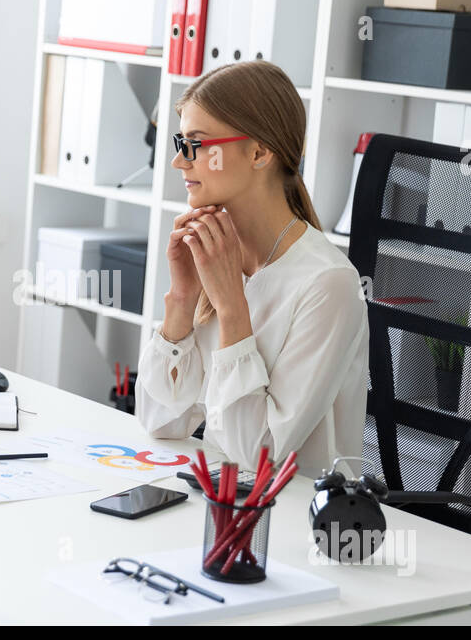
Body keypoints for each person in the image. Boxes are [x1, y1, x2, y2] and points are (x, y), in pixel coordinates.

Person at [135, 61, 369, 478]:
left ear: (259, 152)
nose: (178, 162)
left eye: (197, 144)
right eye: (180, 142)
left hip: (295, 519)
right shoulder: (218, 252)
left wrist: (231, 309)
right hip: (224, 499)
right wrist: (183, 300)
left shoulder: (329, 285)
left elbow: (258, 455)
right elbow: (159, 421)